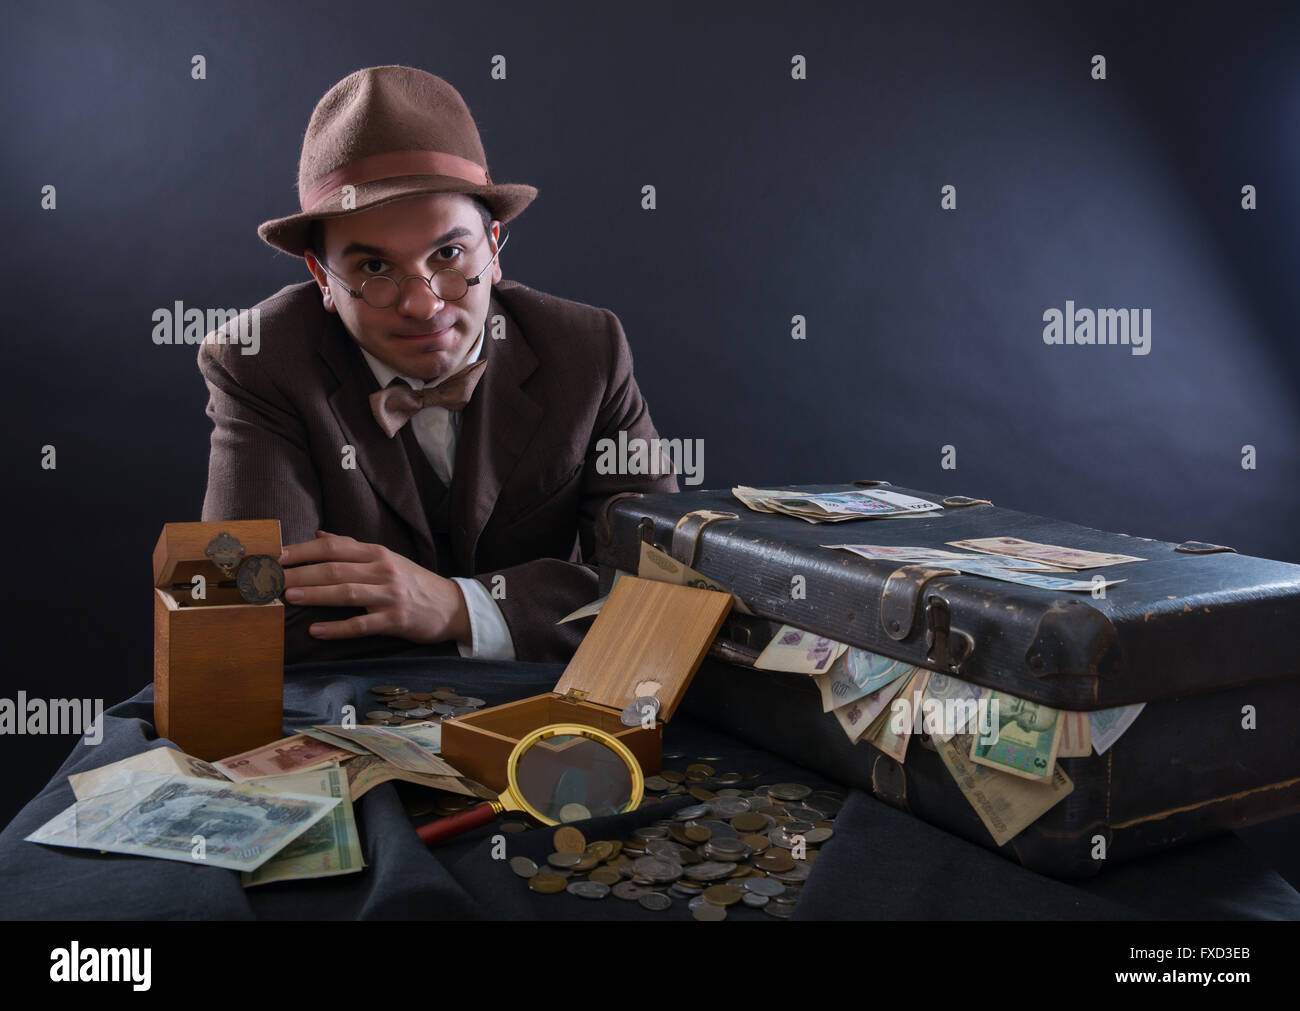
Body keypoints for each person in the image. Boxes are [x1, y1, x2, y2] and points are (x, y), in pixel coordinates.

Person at [199, 65, 677, 665]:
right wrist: (549, 609)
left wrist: (458, 607)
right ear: (323, 278)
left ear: (495, 248)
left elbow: (669, 591)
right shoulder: (258, 360)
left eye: (448, 253)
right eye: (373, 269)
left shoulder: (588, 349)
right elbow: (252, 611)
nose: (422, 304)